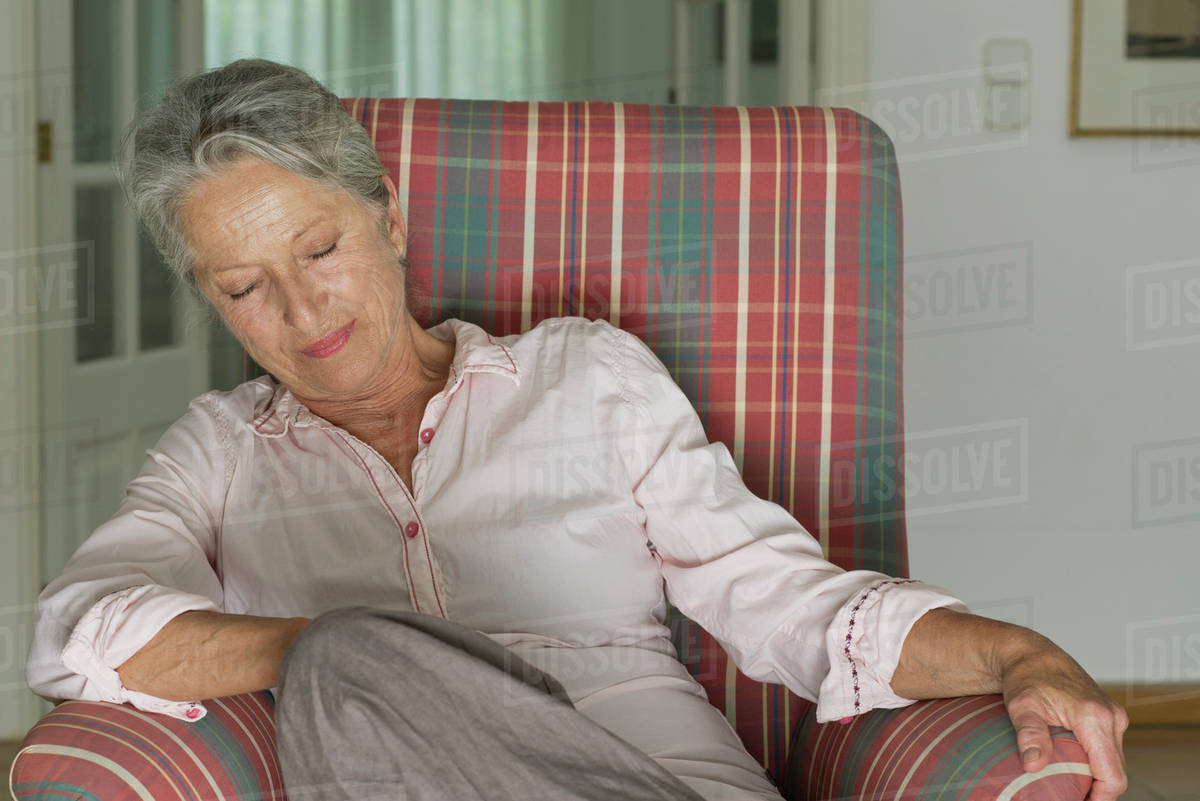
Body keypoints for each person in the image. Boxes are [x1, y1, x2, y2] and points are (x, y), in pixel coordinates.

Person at [25, 58, 1128, 801]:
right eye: (244, 286)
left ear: (389, 217)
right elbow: (80, 631)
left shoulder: (587, 375)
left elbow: (790, 603)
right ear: (212, 300)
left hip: (655, 774)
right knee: (348, 653)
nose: (305, 309)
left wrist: (1018, 653)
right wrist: (337, 658)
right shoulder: (218, 451)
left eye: (321, 250)